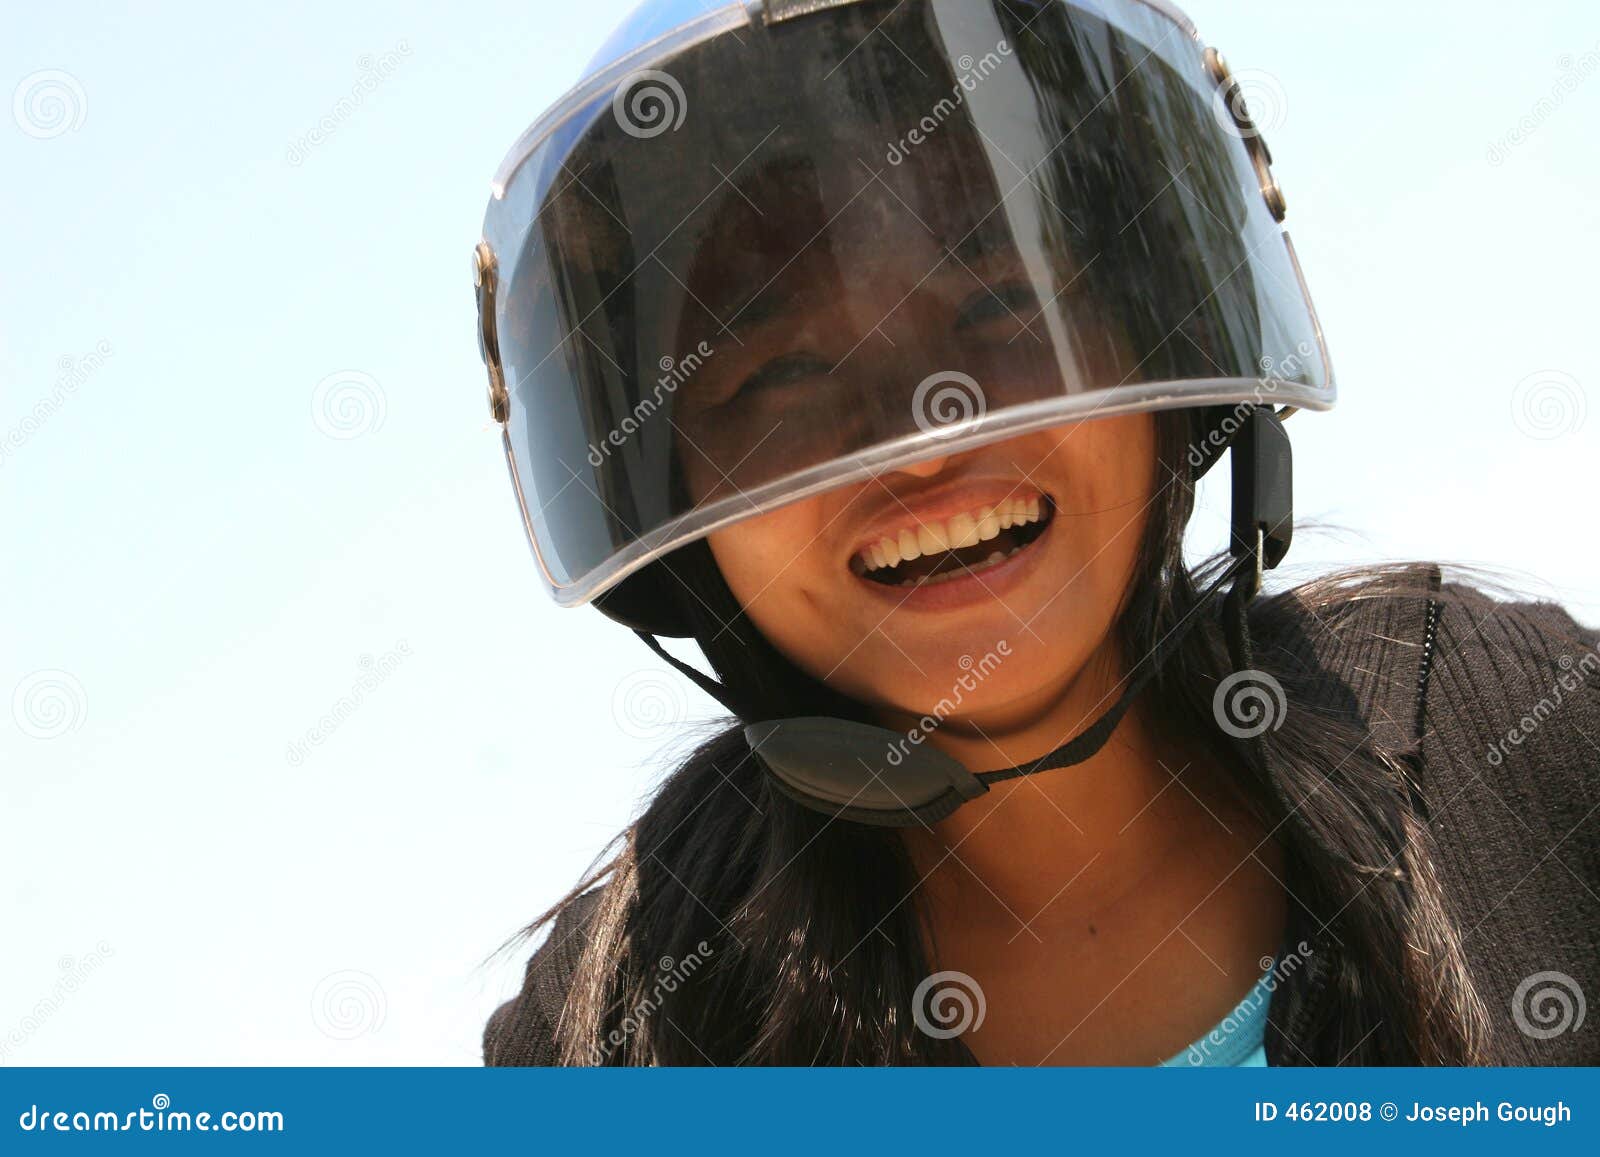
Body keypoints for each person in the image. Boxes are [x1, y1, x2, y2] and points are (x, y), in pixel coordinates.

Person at [472, 0, 1599, 1065]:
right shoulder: (618, 1030)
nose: (922, 443)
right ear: (673, 508)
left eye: (1004, 307)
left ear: (1161, 355)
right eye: (788, 373)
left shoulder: (1509, 738)